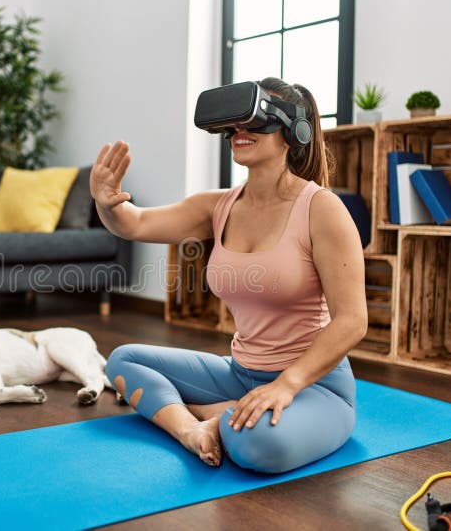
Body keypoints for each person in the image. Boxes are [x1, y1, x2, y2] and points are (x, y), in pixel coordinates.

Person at [91, 77, 367, 474]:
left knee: (255, 444)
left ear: (293, 131)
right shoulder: (217, 206)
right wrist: (105, 201)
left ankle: (217, 417)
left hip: (313, 387)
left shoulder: (322, 209)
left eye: (254, 122)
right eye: (236, 124)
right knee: (123, 361)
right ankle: (193, 428)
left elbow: (353, 321)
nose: (241, 132)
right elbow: (133, 224)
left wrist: (286, 384)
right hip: (241, 373)